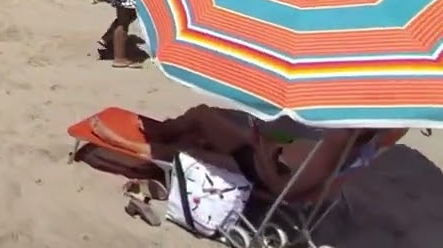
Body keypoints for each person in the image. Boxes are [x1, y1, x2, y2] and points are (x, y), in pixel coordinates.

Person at [90, 105, 391, 197]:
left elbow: (281, 188)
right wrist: (272, 143)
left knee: (185, 152)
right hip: (268, 157)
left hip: (259, 170)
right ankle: (163, 131)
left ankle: (127, 143)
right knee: (203, 116)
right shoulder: (363, 141)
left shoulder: (338, 144)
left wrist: (262, 150)